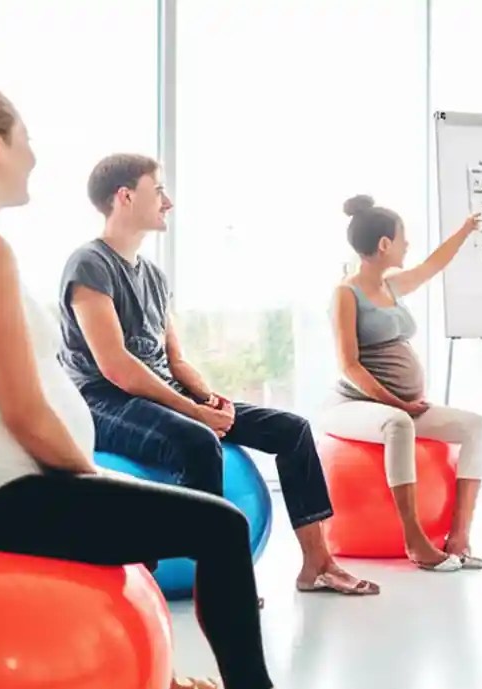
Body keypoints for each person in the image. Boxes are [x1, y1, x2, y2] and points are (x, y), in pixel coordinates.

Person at [0, 80, 317, 689]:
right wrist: (88, 476)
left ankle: (164, 677)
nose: (34, 157)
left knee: (158, 522)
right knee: (221, 526)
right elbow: (23, 410)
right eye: (26, 141)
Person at [56, 153, 376, 599]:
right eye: (159, 190)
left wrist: (209, 399)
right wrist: (193, 414)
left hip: (159, 394)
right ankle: (217, 581)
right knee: (198, 442)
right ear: (125, 197)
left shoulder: (153, 275)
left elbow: (175, 359)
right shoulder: (89, 265)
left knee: (292, 430)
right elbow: (116, 367)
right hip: (102, 401)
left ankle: (318, 564)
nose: (168, 202)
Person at [315, 195, 482, 572]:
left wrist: (465, 230)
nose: (407, 244)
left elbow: (433, 265)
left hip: (402, 405)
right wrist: (397, 403)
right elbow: (349, 365)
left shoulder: (392, 285)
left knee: (475, 427)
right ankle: (415, 541)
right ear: (384, 245)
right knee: (399, 426)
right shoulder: (345, 293)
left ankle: (458, 539)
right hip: (351, 406)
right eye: (402, 237)